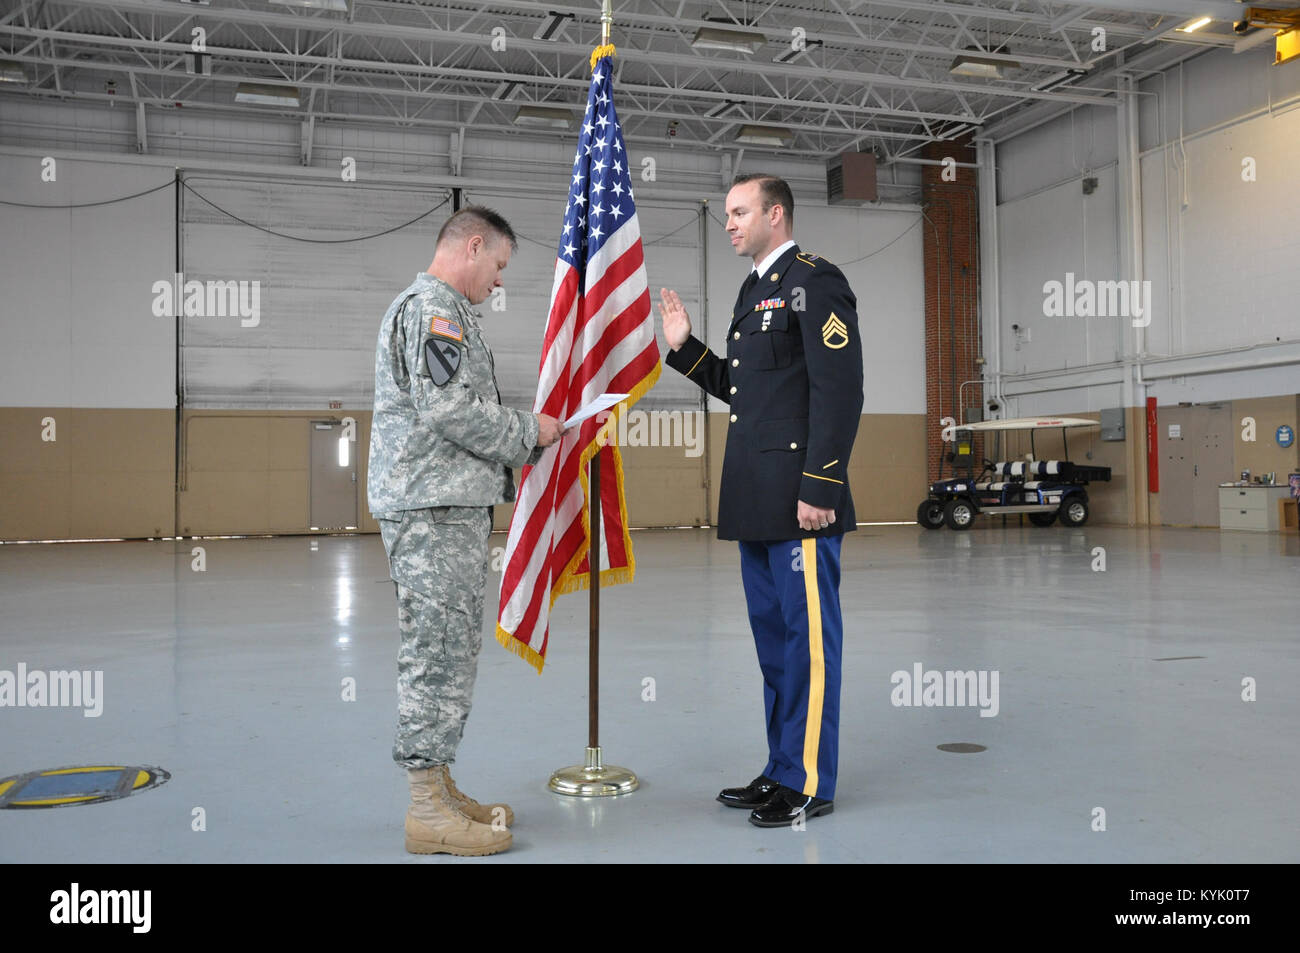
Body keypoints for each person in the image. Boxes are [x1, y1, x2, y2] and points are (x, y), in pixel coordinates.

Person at [659, 173, 863, 827]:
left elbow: (841, 389)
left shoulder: (815, 281)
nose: (730, 224)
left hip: (802, 501)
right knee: (775, 645)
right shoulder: (754, 290)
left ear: (777, 214)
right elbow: (746, 389)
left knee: (810, 644)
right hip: (756, 496)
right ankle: (781, 768)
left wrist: (821, 486)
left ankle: (811, 782)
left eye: (741, 212)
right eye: (726, 214)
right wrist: (686, 350)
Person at [368, 206, 565, 855]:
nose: (499, 281)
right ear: (473, 246)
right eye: (499, 265)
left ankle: (442, 786)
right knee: (434, 652)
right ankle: (425, 809)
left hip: (444, 506)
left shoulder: (442, 310)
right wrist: (526, 432)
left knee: (451, 650)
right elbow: (449, 408)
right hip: (430, 508)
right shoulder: (435, 310)